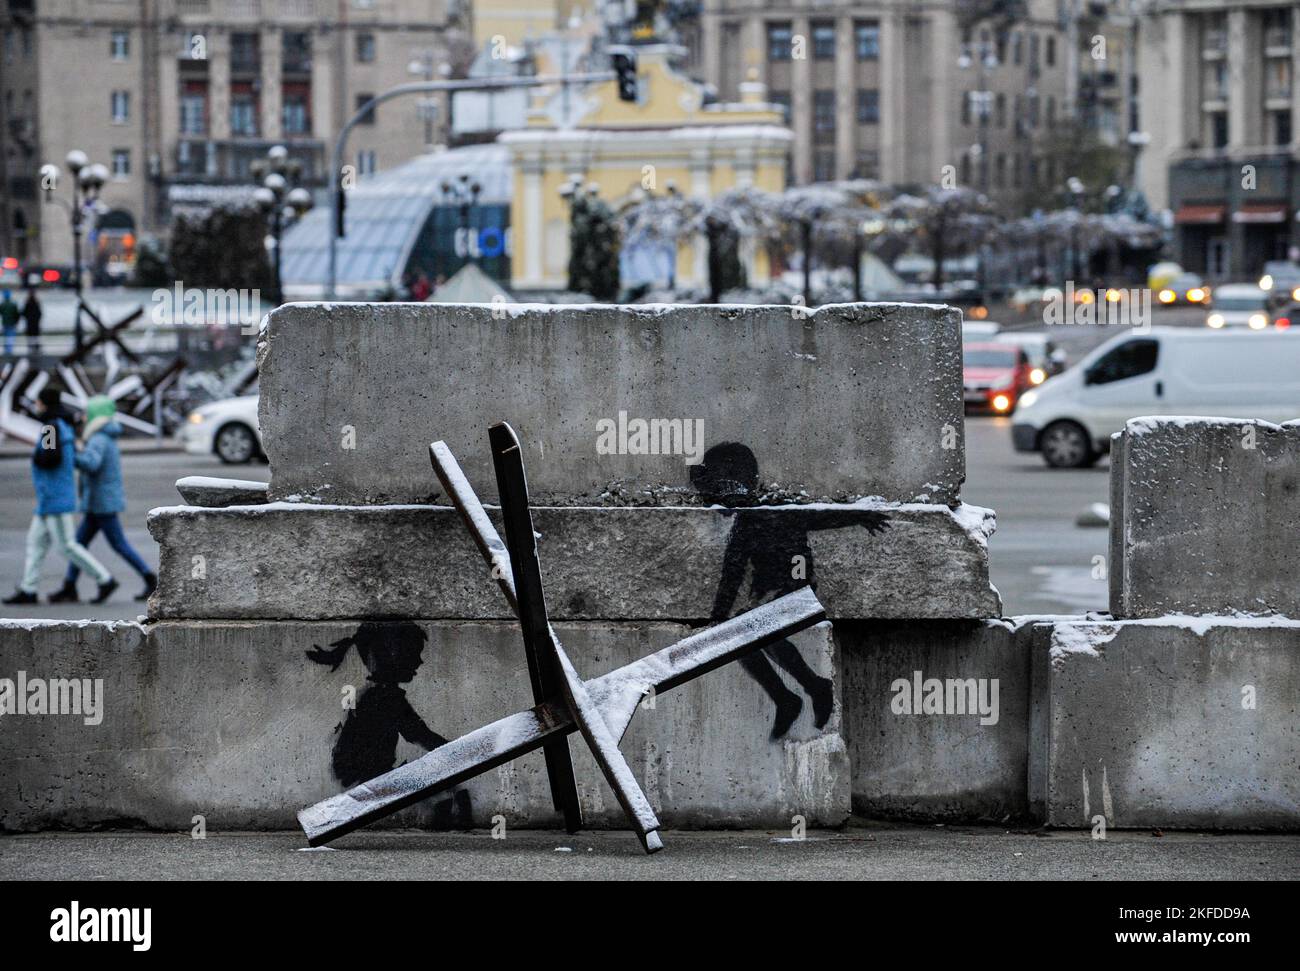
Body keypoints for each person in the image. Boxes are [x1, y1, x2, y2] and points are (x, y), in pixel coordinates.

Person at [3, 387, 118, 605]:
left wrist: (36, 458)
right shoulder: (62, 424)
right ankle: (29, 588)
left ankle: (105, 579)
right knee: (35, 543)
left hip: (54, 497)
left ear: (44, 403)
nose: (36, 405)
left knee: (67, 545)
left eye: (37, 401)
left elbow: (49, 457)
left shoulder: (51, 426)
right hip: (51, 497)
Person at [49, 396, 156, 603]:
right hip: (99, 501)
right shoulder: (106, 436)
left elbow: (91, 463)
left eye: (88, 412)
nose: (85, 417)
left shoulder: (99, 438)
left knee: (116, 544)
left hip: (101, 502)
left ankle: (149, 578)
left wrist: (71, 454)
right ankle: (70, 586)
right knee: (80, 544)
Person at [21, 284, 42, 356]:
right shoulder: (37, 302)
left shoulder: (27, 302)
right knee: (36, 337)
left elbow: (24, 313)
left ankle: (30, 348)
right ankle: (36, 348)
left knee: (30, 337)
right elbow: (40, 313)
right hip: (35, 324)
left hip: (29, 323)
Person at [0, 289, 18, 355]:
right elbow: (16, 314)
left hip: (5, 323)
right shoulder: (13, 304)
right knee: (10, 337)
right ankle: (9, 350)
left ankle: (7, 349)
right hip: (12, 323)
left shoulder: (3, 304)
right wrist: (16, 321)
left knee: (6, 337)